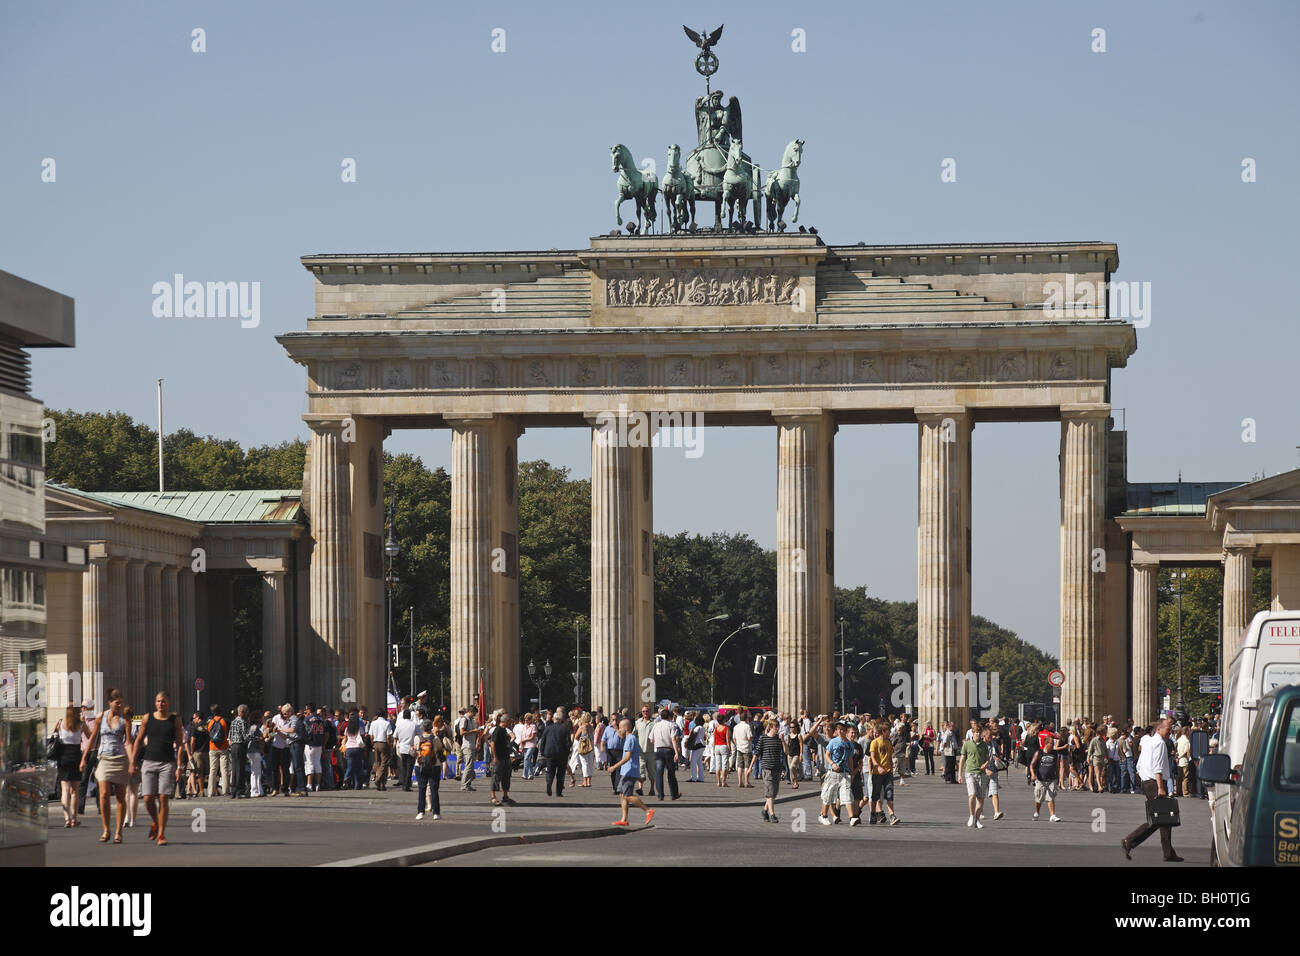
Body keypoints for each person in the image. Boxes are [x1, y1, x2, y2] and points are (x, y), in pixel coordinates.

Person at [1122, 718, 1183, 862]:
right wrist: (1161, 787)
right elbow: (1157, 766)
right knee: (1161, 818)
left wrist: (1142, 778)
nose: (1170, 732)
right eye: (1168, 729)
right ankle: (1130, 840)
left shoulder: (1148, 741)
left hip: (1147, 781)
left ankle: (1168, 852)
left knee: (1162, 818)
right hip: (1155, 783)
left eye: (1171, 729)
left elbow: (1140, 763)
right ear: (1159, 729)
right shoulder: (1160, 743)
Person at [82, 688, 134, 844]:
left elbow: (128, 742)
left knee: (120, 797)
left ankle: (118, 831)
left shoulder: (125, 720)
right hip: (104, 759)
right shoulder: (100, 717)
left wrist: (131, 762)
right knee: (103, 795)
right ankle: (106, 829)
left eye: (121, 703)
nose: (120, 706)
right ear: (109, 703)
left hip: (120, 759)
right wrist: (84, 758)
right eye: (117, 703)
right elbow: (92, 738)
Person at [136, 691, 186, 845]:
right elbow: (138, 740)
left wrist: (179, 766)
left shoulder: (175, 720)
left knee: (163, 798)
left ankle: (161, 835)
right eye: (158, 701)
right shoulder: (147, 718)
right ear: (155, 703)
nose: (160, 704)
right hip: (149, 761)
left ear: (169, 703)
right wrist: (132, 761)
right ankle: (155, 822)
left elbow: (180, 745)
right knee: (147, 799)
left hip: (167, 763)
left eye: (163, 701)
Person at [608, 717, 655, 826]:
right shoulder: (630, 738)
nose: (619, 730)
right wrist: (615, 728)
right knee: (622, 794)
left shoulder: (630, 739)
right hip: (627, 771)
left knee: (627, 795)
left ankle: (647, 810)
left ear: (626, 728)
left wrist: (614, 767)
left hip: (628, 771)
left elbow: (628, 757)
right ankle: (624, 819)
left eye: (620, 728)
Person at [54, 703, 86, 827]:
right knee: (75, 791)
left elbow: (55, 736)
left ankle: (67, 818)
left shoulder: (61, 723)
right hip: (76, 757)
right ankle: (74, 818)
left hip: (63, 757)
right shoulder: (80, 725)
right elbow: (91, 737)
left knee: (65, 789)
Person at [819, 721, 855, 826]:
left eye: (842, 729)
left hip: (845, 773)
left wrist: (852, 773)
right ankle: (823, 816)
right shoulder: (833, 741)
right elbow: (827, 754)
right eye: (838, 729)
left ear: (845, 731)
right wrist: (832, 763)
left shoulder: (849, 744)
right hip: (833, 772)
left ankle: (852, 817)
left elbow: (850, 759)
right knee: (829, 794)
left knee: (847, 794)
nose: (839, 731)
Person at [415, 717, 451, 820]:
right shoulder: (435, 739)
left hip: (420, 766)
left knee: (421, 789)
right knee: (434, 789)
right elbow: (440, 750)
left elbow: (416, 750)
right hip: (434, 765)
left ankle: (420, 812)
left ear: (422, 728)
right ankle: (436, 813)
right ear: (431, 727)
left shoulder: (417, 738)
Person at [868, 719, 899, 825]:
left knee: (889, 793)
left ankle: (892, 815)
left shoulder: (888, 743)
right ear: (884, 731)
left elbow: (889, 756)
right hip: (877, 773)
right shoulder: (874, 742)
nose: (890, 733)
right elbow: (872, 757)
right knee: (875, 795)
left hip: (888, 773)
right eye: (888, 731)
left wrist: (891, 765)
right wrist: (878, 766)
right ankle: (873, 813)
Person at [754, 718, 784, 822]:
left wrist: (783, 740)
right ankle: (772, 815)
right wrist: (750, 768)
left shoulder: (779, 739)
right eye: (776, 727)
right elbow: (757, 753)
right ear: (771, 727)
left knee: (774, 793)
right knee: (770, 793)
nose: (777, 729)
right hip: (767, 769)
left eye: (778, 727)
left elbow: (786, 752)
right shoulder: (763, 738)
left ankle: (765, 810)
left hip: (777, 768)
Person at [961, 726, 992, 829]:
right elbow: (962, 759)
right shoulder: (967, 744)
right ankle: (971, 815)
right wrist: (959, 774)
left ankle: (977, 820)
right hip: (970, 772)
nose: (977, 734)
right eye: (975, 732)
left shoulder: (984, 745)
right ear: (972, 733)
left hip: (981, 773)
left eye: (979, 732)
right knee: (972, 794)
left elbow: (988, 759)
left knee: (981, 799)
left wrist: (986, 764)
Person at [649, 708, 682, 801]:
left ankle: (660, 795)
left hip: (658, 750)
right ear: (669, 716)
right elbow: (673, 739)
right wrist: (676, 752)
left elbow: (651, 740)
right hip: (668, 750)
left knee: (659, 773)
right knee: (671, 773)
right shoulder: (672, 725)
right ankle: (674, 794)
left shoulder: (656, 725)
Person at [539, 707, 571, 797]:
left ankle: (549, 784)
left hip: (549, 754)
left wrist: (542, 752)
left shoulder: (548, 728)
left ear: (554, 719)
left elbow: (543, 741)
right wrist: (567, 753)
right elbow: (568, 743)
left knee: (550, 771)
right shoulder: (565, 729)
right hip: (561, 754)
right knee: (560, 773)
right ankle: (558, 792)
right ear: (561, 720)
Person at [1030, 731, 1061, 822]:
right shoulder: (1039, 753)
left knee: (1051, 797)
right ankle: (1036, 812)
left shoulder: (1055, 753)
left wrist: (1058, 778)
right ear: (1046, 744)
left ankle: (1052, 815)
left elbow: (1056, 766)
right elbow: (1032, 765)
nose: (1053, 745)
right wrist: (1033, 774)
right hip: (1040, 779)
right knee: (1039, 799)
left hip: (1051, 779)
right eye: (1052, 743)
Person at [489, 713, 516, 806]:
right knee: (496, 776)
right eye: (508, 722)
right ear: (504, 721)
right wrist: (495, 757)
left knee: (506, 777)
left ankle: (505, 796)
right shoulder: (498, 730)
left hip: (506, 757)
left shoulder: (504, 730)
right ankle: (493, 797)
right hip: (499, 757)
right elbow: (492, 743)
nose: (509, 723)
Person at [206, 704, 230, 797]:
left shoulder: (210, 722)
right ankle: (225, 790)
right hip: (223, 747)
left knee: (212, 770)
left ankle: (210, 792)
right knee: (224, 770)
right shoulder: (225, 721)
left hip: (212, 747)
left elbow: (209, 733)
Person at [455, 705, 480, 791]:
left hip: (471, 745)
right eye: (474, 713)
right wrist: (473, 731)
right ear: (470, 711)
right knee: (469, 766)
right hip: (467, 746)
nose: (474, 715)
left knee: (470, 766)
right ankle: (464, 785)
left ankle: (468, 784)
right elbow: (462, 732)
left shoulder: (470, 720)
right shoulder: (464, 719)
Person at [368, 708, 393, 791]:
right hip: (384, 743)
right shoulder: (387, 723)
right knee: (384, 763)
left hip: (375, 743)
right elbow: (388, 736)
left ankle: (382, 784)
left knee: (378, 762)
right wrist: (389, 745)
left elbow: (371, 736)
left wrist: (373, 744)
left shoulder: (373, 723)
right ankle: (378, 779)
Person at [186, 710, 209, 797]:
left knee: (199, 772)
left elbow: (192, 741)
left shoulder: (194, 727)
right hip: (206, 751)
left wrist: (191, 751)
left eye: (194, 718)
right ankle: (200, 789)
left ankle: (201, 791)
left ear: (198, 717)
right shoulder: (207, 726)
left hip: (197, 752)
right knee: (206, 772)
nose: (193, 719)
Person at [571, 713, 596, 786]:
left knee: (584, 763)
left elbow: (576, 737)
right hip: (591, 747)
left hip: (584, 747)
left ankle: (585, 781)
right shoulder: (591, 727)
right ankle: (589, 781)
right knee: (590, 763)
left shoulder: (582, 726)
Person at [732, 711, 755, 788]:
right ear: (746, 718)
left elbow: (734, 738)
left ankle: (739, 782)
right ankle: (746, 781)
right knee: (746, 766)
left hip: (739, 747)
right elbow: (749, 737)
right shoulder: (747, 727)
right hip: (747, 748)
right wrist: (751, 739)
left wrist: (737, 744)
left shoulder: (736, 727)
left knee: (739, 766)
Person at [247, 710, 266, 797]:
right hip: (253, 751)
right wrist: (261, 737)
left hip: (255, 751)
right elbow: (251, 738)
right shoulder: (254, 728)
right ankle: (254, 790)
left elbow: (264, 738)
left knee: (257, 772)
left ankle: (259, 790)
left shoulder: (256, 728)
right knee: (255, 772)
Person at [711, 712, 731, 788]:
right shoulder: (726, 728)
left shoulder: (716, 728)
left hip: (716, 746)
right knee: (724, 765)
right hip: (724, 746)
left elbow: (714, 739)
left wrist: (713, 749)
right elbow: (728, 740)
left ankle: (718, 782)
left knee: (718, 765)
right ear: (723, 720)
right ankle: (724, 782)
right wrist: (730, 749)